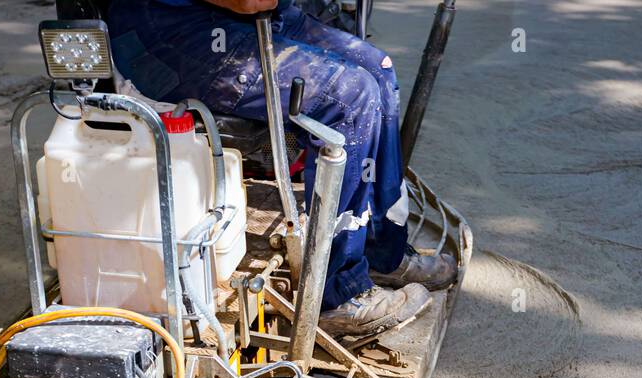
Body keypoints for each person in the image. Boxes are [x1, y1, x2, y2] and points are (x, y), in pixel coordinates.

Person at [107, 0, 456, 336]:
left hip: (249, 18)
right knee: (350, 96)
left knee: (376, 68)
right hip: (172, 35)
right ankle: (338, 293)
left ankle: (381, 252)